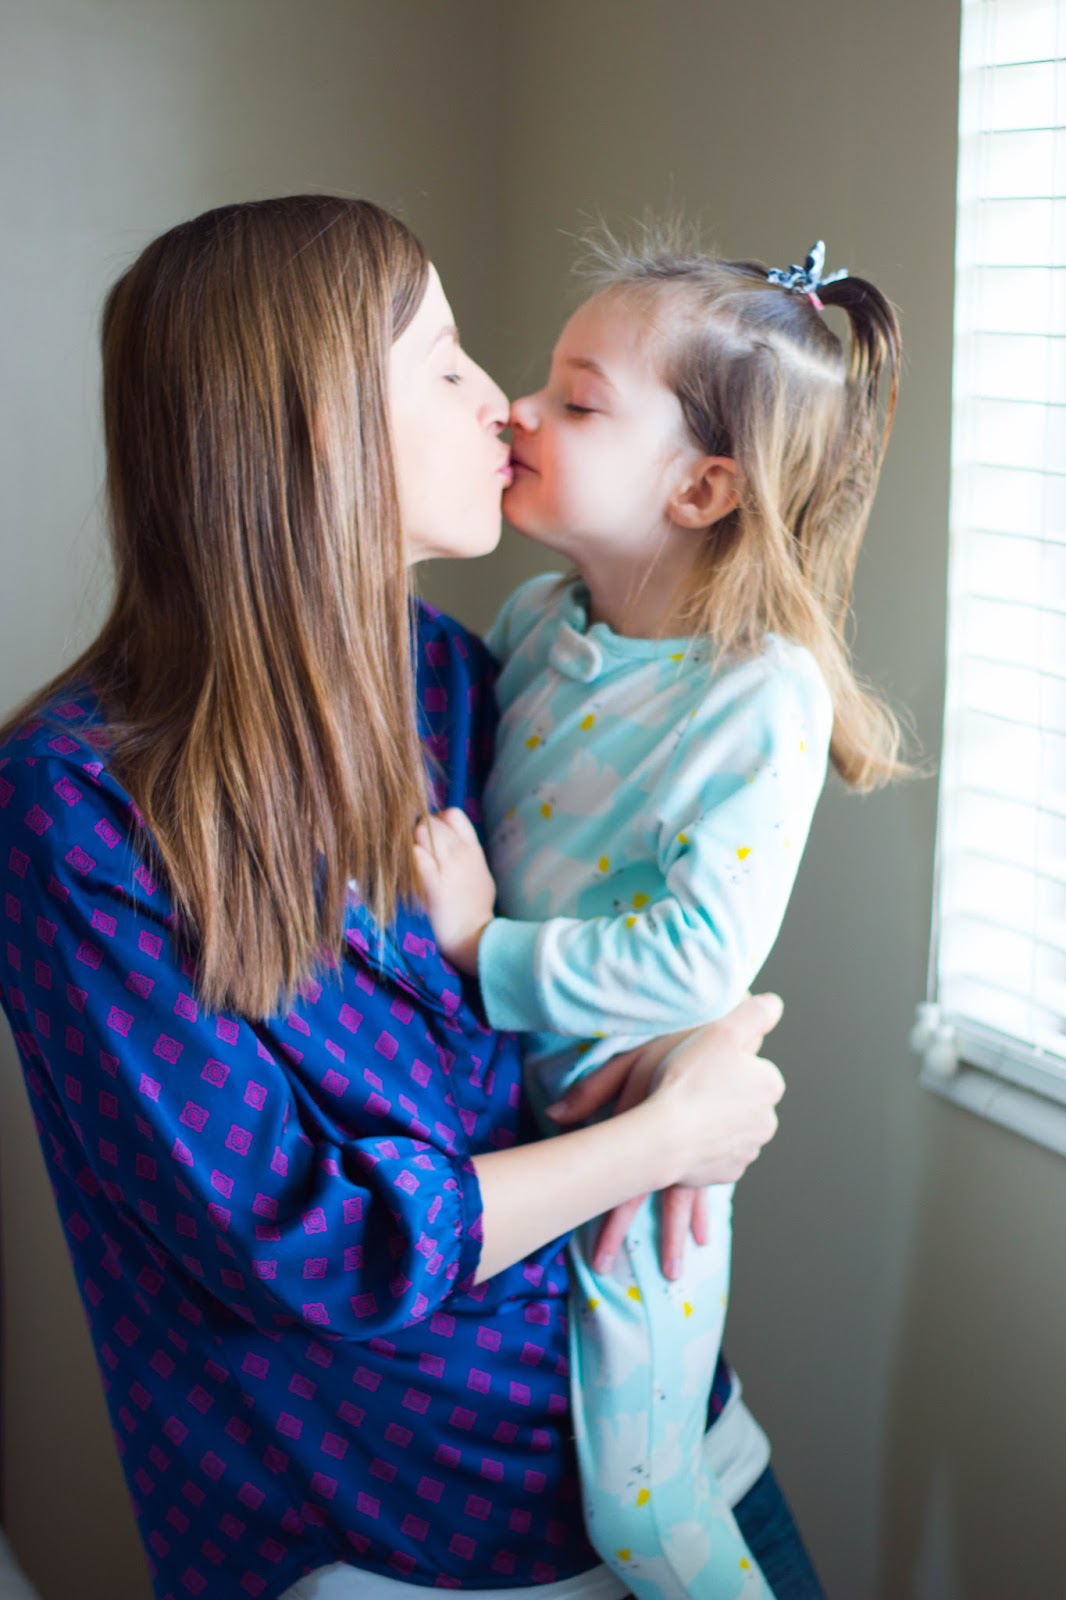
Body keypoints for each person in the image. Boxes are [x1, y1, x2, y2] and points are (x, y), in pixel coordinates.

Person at [0, 195, 801, 1600]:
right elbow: (307, 1241)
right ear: (312, 425)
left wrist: (691, 1043)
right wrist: (668, 1132)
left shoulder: (460, 678)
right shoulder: (72, 806)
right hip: (392, 1548)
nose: (501, 404)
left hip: (674, 1455)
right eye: (442, 362)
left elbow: (574, 975)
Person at [415, 240, 905, 1599]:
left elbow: (701, 955)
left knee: (638, 1508)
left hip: (643, 1168)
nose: (514, 409)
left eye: (576, 402)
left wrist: (478, 954)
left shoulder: (759, 694)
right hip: (511, 1130)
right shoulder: (531, 619)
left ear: (699, 487)